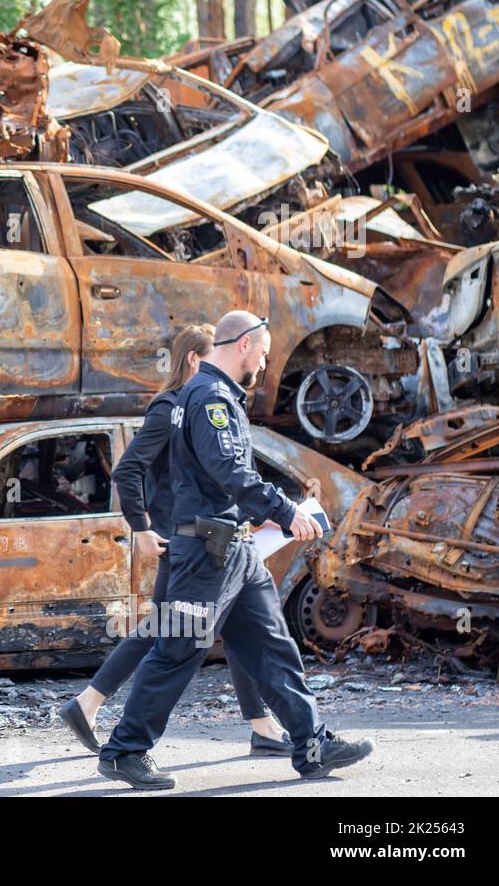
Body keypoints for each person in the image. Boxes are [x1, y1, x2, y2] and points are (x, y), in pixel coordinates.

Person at [96, 310, 374, 790]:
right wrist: (289, 512)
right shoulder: (210, 398)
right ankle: (125, 750)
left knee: (273, 648)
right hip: (207, 552)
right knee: (178, 647)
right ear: (244, 344)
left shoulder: (204, 394)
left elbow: (225, 478)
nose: (265, 364)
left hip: (235, 549)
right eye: (263, 353)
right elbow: (231, 473)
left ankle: (312, 744)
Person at [57, 325, 290, 757]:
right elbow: (128, 470)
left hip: (208, 539)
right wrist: (141, 526)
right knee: (173, 633)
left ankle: (261, 723)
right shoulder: (175, 408)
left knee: (219, 627)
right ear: (195, 361)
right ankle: (104, 721)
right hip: (184, 542)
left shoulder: (200, 404)